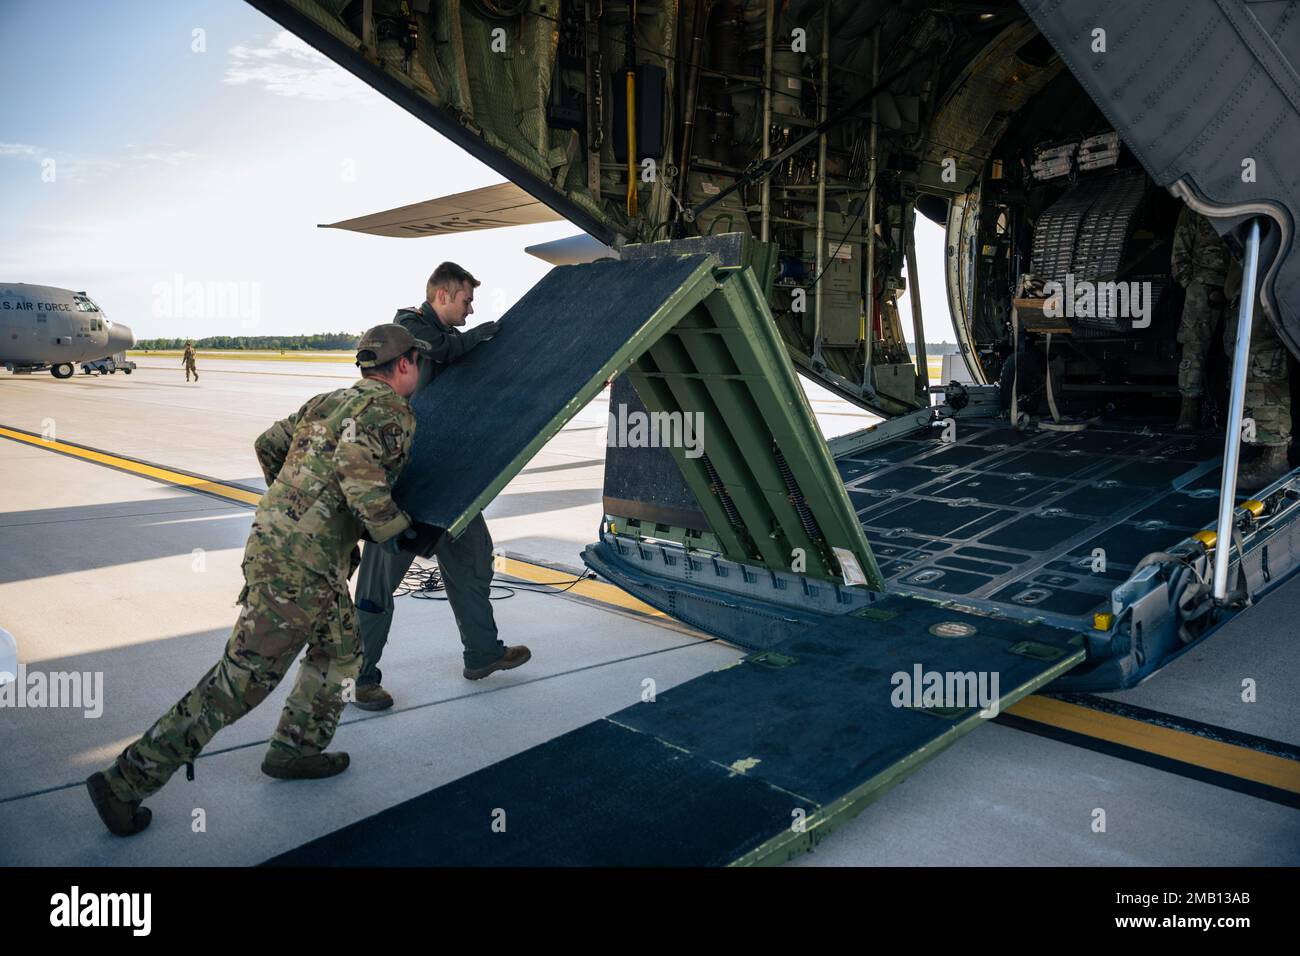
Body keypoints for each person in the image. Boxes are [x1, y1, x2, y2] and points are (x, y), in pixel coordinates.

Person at [85, 324, 441, 837]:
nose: (420, 371)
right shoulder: (390, 411)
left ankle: (294, 750)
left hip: (284, 548)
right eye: (418, 362)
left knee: (341, 653)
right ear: (404, 364)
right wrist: (397, 533)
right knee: (242, 679)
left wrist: (298, 507)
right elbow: (355, 469)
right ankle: (126, 780)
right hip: (302, 565)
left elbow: (269, 443)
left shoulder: (327, 400)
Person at [351, 261, 528, 712]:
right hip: (402, 485)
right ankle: (362, 677)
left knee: (473, 565)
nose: (471, 312)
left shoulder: (450, 342)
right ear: (443, 295)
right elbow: (440, 348)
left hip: (451, 479)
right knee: (377, 588)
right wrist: (479, 335)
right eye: (466, 301)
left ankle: (482, 654)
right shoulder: (408, 327)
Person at [1223, 256, 1292, 491]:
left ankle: (1275, 459)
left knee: (1263, 367)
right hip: (1258, 283)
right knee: (1258, 367)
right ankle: (1271, 453)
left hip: (1266, 281)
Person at [1171, 206, 1229, 431]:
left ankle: (1238, 408)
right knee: (1194, 347)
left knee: (1238, 347)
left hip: (1239, 283)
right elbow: (1180, 248)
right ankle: (1189, 407)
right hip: (1203, 283)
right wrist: (1191, 283)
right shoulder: (1198, 204)